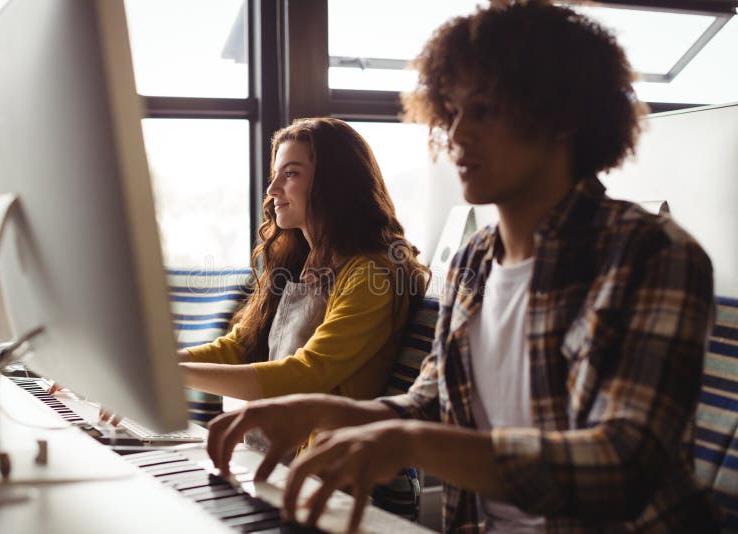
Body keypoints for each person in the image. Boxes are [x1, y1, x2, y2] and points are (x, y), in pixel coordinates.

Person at [203, 1, 721, 532]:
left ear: (565, 117)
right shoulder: (476, 258)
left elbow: (624, 465)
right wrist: (320, 413)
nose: (457, 133)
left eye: (487, 110)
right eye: (453, 111)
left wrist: (407, 441)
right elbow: (431, 405)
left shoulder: (653, 255)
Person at [178, 117, 428, 403]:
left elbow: (307, 374)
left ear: (334, 182)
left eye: (291, 174)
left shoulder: (372, 276)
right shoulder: (297, 261)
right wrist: (161, 368)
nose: (272, 190)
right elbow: (240, 346)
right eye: (275, 175)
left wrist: (173, 376)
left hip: (321, 447)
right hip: (269, 443)